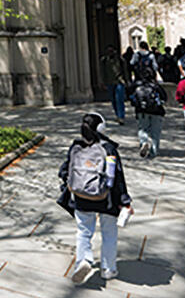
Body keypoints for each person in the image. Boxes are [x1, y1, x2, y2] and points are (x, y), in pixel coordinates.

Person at [57, 112, 132, 283]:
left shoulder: (75, 147)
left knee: (83, 233)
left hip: (81, 198)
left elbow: (63, 171)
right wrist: (125, 201)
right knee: (109, 234)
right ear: (102, 128)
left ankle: (83, 261)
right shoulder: (108, 149)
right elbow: (117, 178)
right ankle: (108, 269)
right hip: (105, 199)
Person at [128, 67, 167, 158]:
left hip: (142, 111)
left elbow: (131, 98)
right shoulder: (156, 86)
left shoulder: (137, 86)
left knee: (143, 129)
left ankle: (144, 142)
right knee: (155, 132)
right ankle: (153, 151)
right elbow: (164, 98)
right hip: (157, 111)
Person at [98, 46, 127, 124]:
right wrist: (102, 82)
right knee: (113, 100)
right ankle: (118, 115)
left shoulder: (120, 60)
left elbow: (125, 70)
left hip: (119, 82)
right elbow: (102, 72)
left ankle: (121, 116)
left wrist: (127, 81)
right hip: (109, 82)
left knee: (119, 99)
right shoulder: (104, 60)